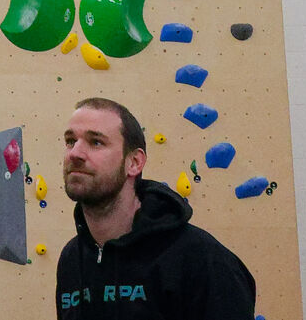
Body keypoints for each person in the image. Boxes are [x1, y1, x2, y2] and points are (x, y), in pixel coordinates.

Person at [55, 97, 257, 318]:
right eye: (70, 141)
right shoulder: (72, 259)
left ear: (134, 162)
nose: (75, 153)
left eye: (96, 142)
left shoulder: (202, 260)